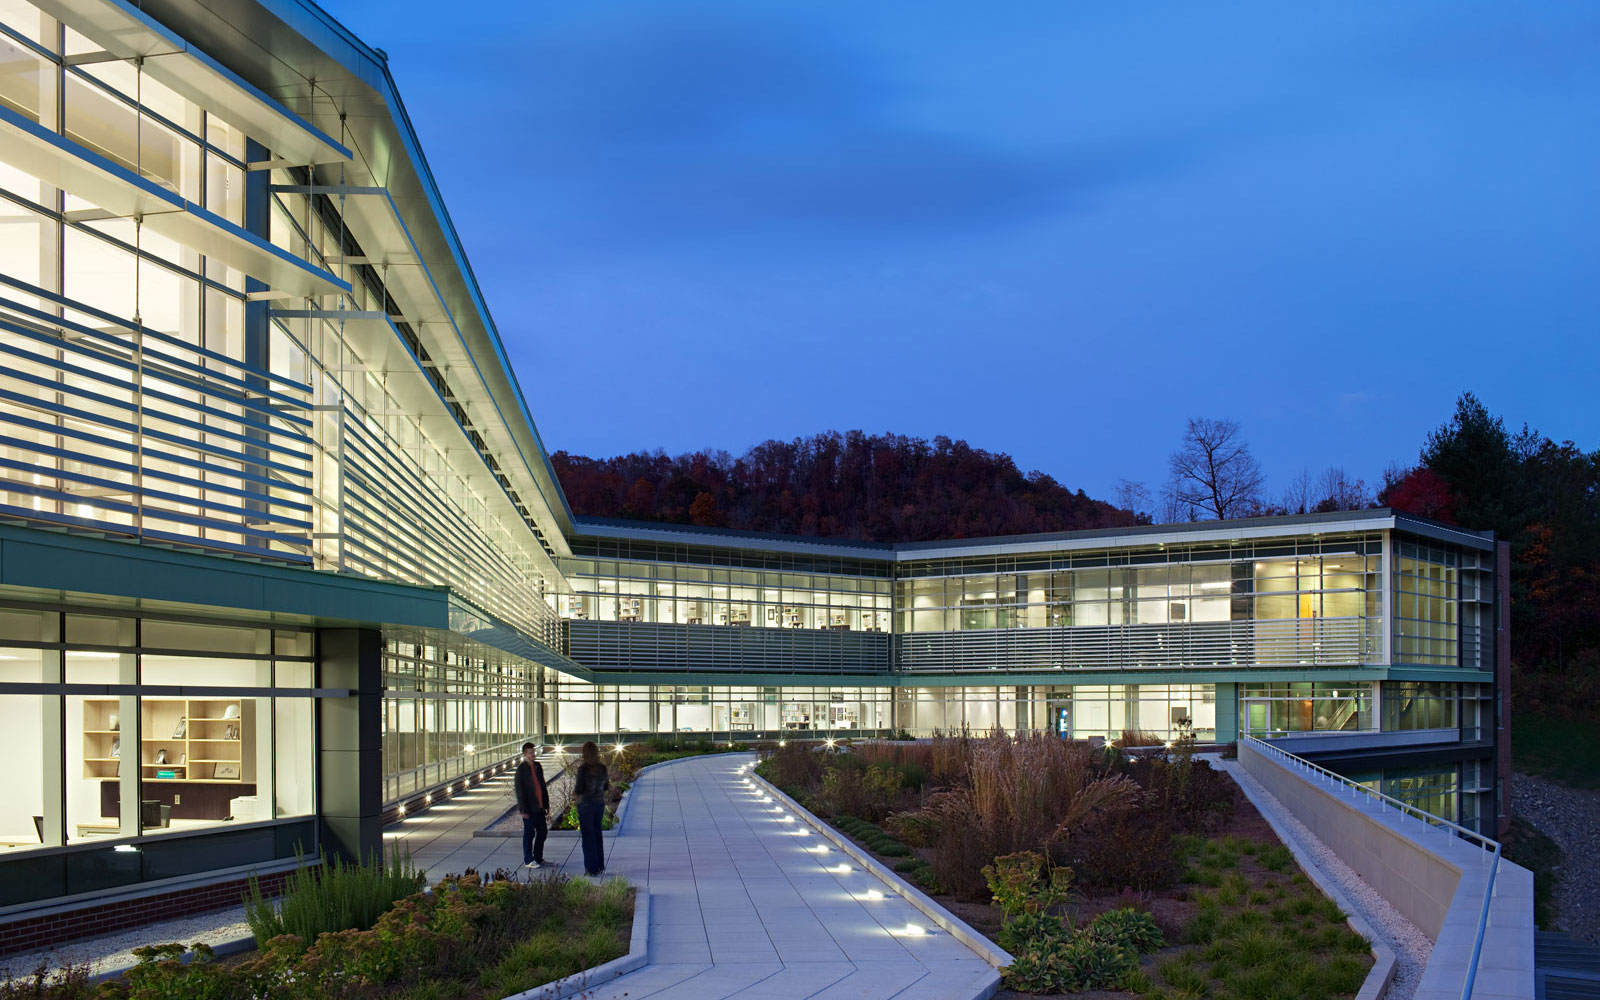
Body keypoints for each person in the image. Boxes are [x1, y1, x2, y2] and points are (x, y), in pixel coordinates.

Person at [573, 740, 610, 877]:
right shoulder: (602, 768)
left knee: (588, 838)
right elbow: (606, 786)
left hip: (586, 805)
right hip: (599, 805)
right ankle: (600, 865)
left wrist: (575, 796)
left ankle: (591, 868)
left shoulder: (583, 770)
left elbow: (579, 788)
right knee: (597, 835)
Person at [514, 742, 549, 870]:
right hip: (529, 808)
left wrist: (546, 804)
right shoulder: (521, 770)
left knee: (542, 832)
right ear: (524, 754)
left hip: (539, 807)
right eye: (530, 752)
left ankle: (538, 857)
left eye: (533, 752)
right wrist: (523, 809)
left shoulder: (538, 766)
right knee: (529, 834)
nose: (532, 754)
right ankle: (528, 859)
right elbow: (519, 791)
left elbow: (542, 786)